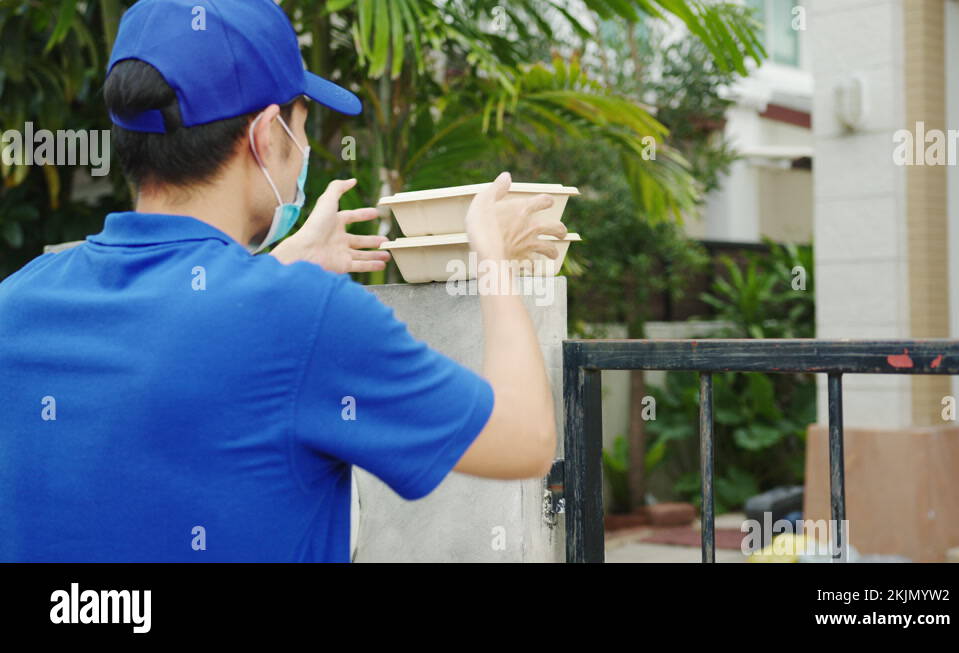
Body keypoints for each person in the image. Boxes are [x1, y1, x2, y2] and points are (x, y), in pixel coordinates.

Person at [0, 0, 564, 562]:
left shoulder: (18, 304)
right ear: (266, 134)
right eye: (301, 124)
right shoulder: (307, 318)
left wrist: (280, 265)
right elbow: (524, 439)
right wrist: (490, 256)